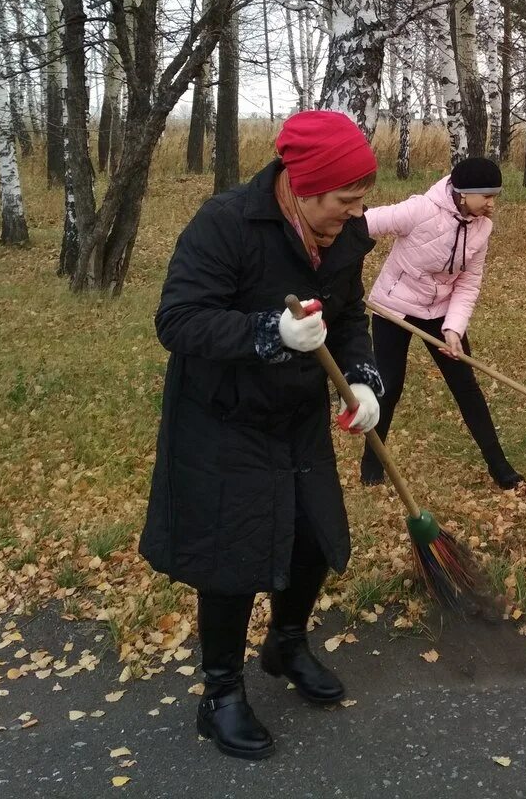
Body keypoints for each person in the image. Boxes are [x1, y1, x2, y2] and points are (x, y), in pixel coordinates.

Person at [138, 110, 385, 760]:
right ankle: (219, 694)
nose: (354, 215)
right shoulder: (226, 225)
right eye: (343, 201)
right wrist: (265, 333)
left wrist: (362, 381)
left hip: (297, 415)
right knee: (232, 558)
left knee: (314, 534)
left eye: (362, 201)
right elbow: (179, 321)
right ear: (302, 189)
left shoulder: (343, 232)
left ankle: (286, 642)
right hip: (225, 417)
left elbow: (352, 314)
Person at [360, 155, 523, 490]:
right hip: (395, 308)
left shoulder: (482, 226)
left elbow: (468, 282)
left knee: (467, 387)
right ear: (463, 193)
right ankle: (372, 466)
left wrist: (454, 328)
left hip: (441, 312)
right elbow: (364, 223)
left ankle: (500, 466)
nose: (492, 203)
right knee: (388, 387)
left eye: (495, 195)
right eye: (487, 195)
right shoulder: (419, 210)